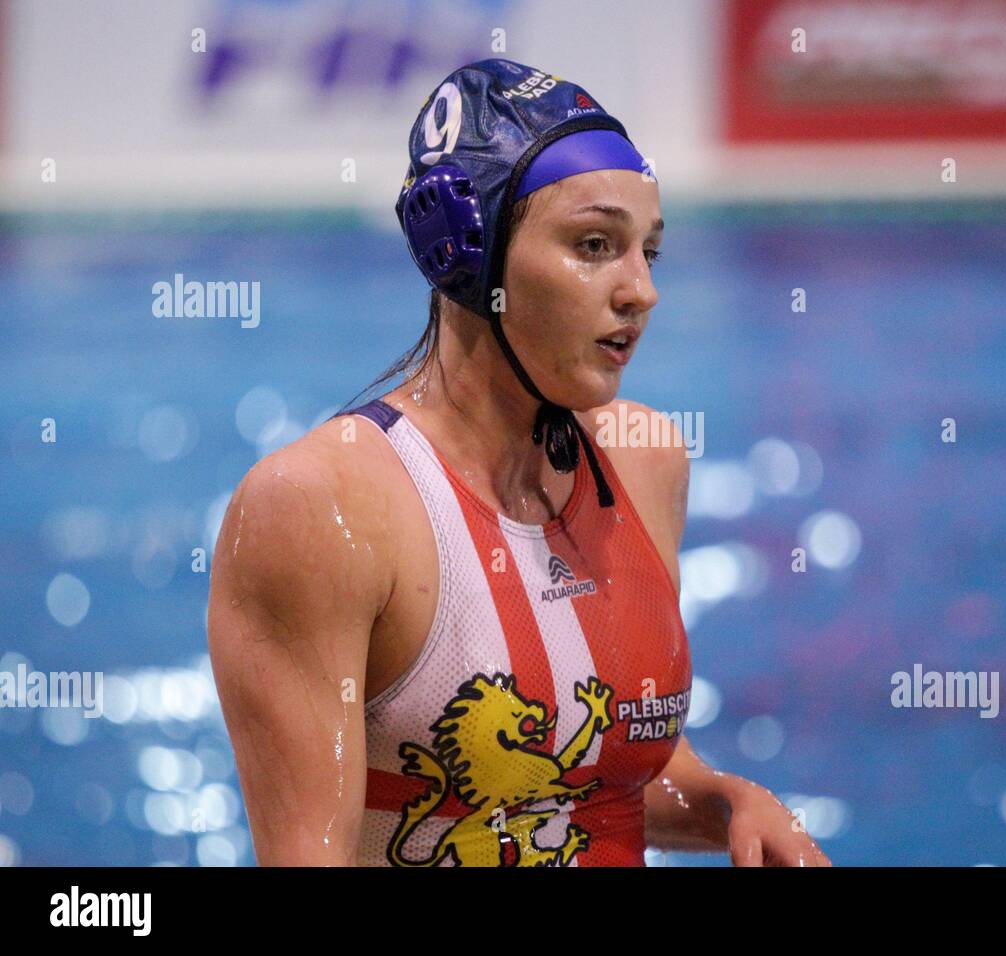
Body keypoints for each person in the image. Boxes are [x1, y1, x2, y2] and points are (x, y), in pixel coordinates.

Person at [207, 58, 830, 867]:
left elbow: (603, 774)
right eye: (594, 245)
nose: (641, 291)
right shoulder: (323, 508)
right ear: (466, 256)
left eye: (648, 251)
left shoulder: (643, 461)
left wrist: (725, 804)